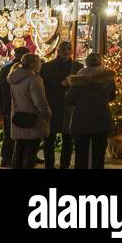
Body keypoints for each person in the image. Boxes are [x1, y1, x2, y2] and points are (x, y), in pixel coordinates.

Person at [63, 52, 116, 169]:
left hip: (81, 119)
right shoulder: (108, 78)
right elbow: (112, 96)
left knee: (81, 154)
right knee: (98, 154)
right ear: (100, 62)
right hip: (101, 118)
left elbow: (69, 99)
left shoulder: (78, 79)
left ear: (86, 63)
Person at [39, 42, 82, 170]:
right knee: (49, 139)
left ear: (72, 51)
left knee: (68, 139)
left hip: (70, 108)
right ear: (57, 50)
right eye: (63, 48)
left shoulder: (78, 67)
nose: (66, 51)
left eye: (69, 48)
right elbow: (42, 87)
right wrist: (61, 84)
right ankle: (49, 165)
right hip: (53, 106)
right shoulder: (46, 67)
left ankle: (65, 165)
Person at [9, 53, 52, 169]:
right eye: (39, 63)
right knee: (31, 151)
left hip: (19, 117)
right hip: (33, 119)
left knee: (19, 149)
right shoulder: (33, 79)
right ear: (34, 64)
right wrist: (47, 114)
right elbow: (39, 101)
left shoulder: (14, 78)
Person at [0, 46, 29, 167]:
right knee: (24, 133)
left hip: (8, 106)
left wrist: (2, 104)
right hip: (22, 106)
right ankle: (18, 157)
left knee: (9, 133)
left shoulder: (6, 69)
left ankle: (7, 158)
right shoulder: (27, 70)